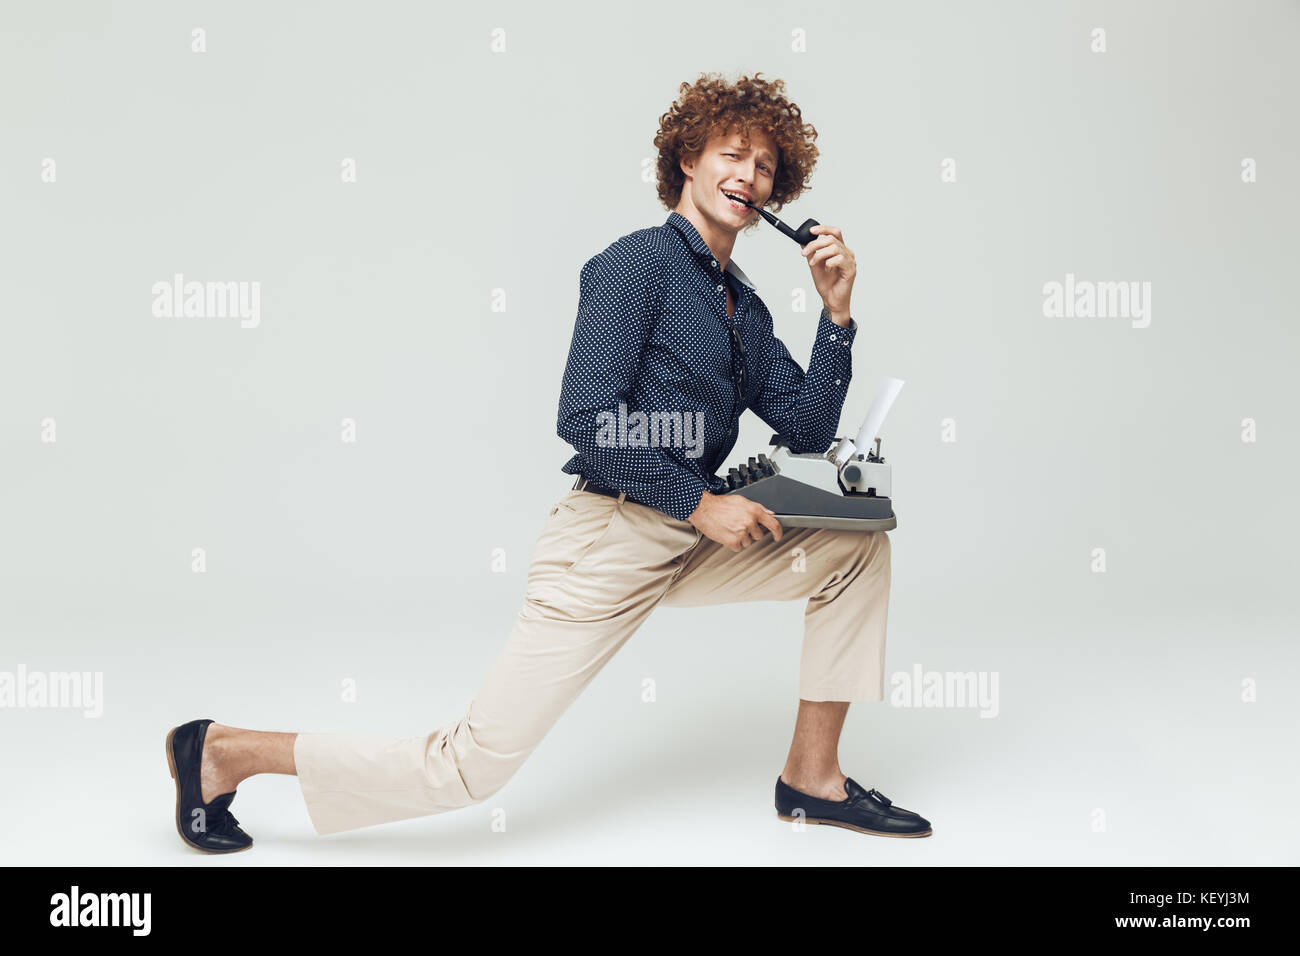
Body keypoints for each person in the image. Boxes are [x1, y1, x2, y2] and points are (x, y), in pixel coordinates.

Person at [165, 71, 932, 854]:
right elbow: (586, 418)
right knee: (469, 769)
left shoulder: (744, 304)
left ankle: (812, 779)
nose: (749, 177)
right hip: (612, 538)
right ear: (688, 161)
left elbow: (804, 429)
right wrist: (701, 504)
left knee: (855, 551)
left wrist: (836, 316)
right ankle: (221, 751)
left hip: (689, 538)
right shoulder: (635, 265)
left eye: (766, 167)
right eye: (732, 155)